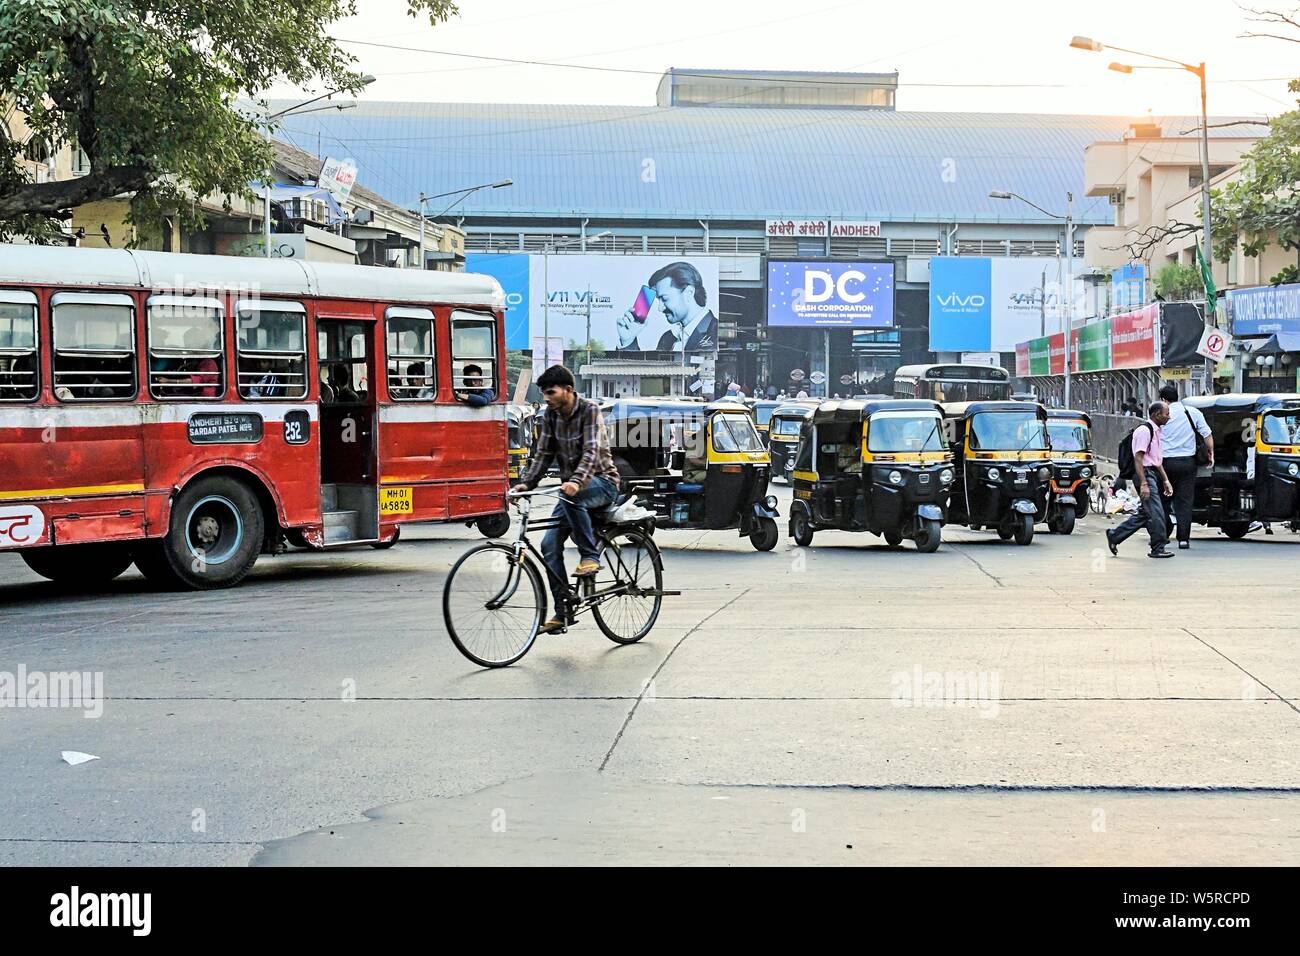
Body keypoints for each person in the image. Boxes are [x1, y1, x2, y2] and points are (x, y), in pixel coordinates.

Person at [512, 365, 622, 634]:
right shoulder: (549, 415)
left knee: (573, 497)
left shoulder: (590, 410)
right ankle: (563, 612)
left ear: (568, 390)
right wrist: (526, 483)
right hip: (572, 489)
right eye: (544, 393)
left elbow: (591, 452)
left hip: (602, 482)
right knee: (548, 544)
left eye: (551, 392)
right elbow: (543, 454)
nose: (547, 397)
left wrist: (576, 481)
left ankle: (590, 556)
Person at [1107, 401, 1175, 559]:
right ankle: (1158, 547)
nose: (1169, 417)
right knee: (1156, 512)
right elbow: (1138, 459)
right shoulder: (1144, 431)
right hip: (1143, 474)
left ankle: (1115, 535)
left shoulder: (1156, 431)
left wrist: (1165, 480)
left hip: (1151, 473)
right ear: (1156, 414)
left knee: (1146, 512)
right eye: (1166, 414)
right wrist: (1144, 483)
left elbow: (1157, 460)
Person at [615, 261, 717, 353]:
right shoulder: (668, 339)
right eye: (658, 300)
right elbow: (653, 372)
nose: (660, 308)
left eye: (664, 299)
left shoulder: (716, 333)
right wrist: (628, 341)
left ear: (689, 292)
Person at [1158, 382, 1214, 550]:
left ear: (1163, 399)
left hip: (1164, 465)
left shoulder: (1160, 414)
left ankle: (1163, 534)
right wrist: (1211, 454)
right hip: (1187, 463)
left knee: (1162, 501)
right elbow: (1207, 434)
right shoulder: (1192, 412)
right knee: (1184, 502)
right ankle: (1183, 539)